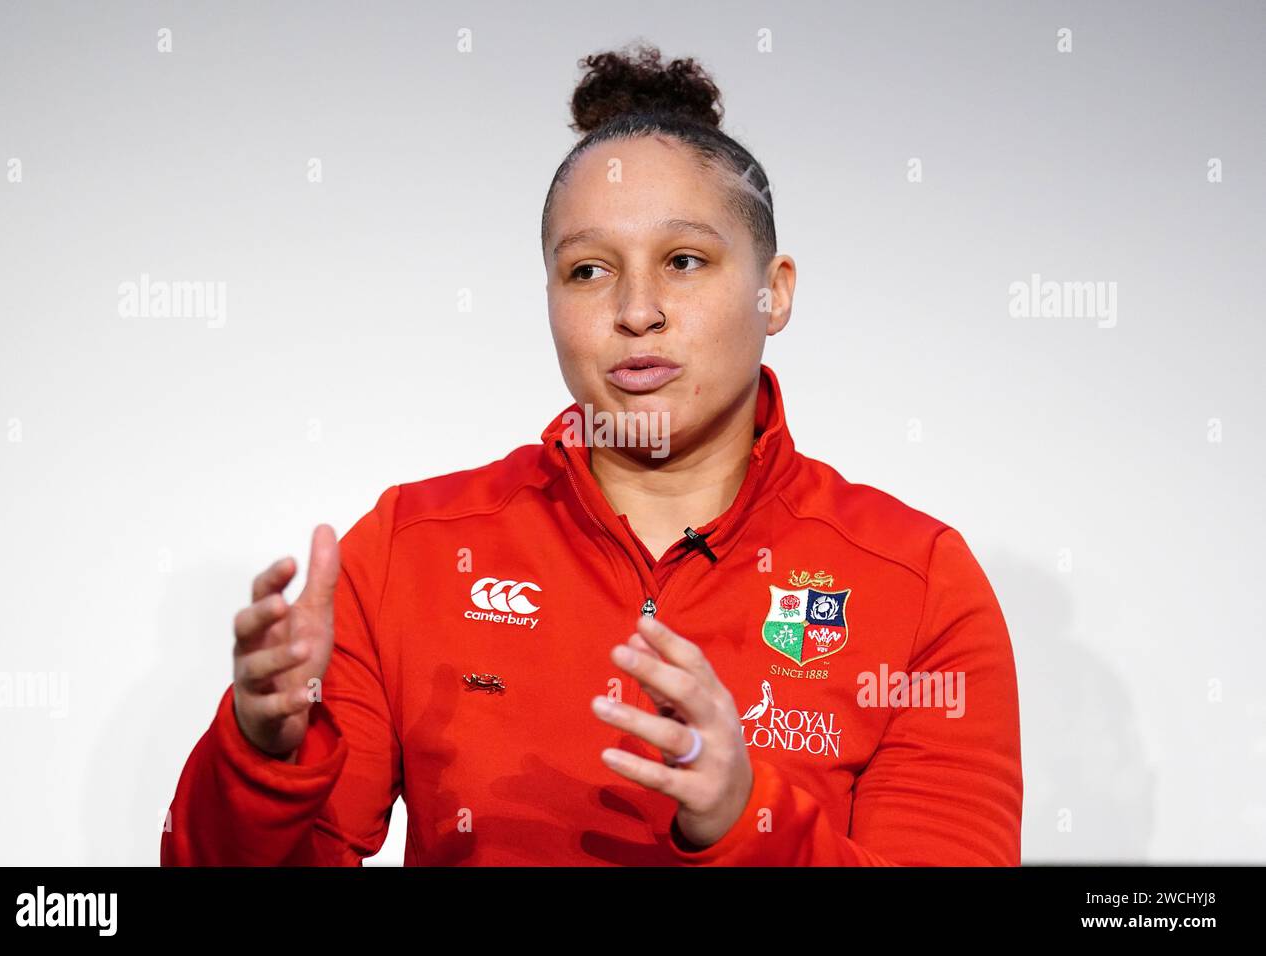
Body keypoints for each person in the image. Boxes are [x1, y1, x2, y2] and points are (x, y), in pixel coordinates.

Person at [161, 43, 1022, 866]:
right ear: (548, 297)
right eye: (588, 270)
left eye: (685, 260)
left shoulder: (917, 582)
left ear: (776, 291)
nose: (637, 309)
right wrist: (260, 755)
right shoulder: (408, 550)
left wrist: (743, 817)